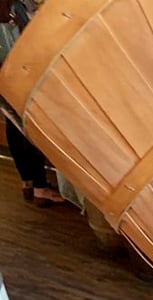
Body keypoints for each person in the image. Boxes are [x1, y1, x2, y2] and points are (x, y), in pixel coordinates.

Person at [1, 0, 64, 205]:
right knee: (30, 124)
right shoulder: (12, 6)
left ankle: (27, 181)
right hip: (18, 67)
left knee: (14, 123)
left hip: (5, 69)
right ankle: (40, 187)